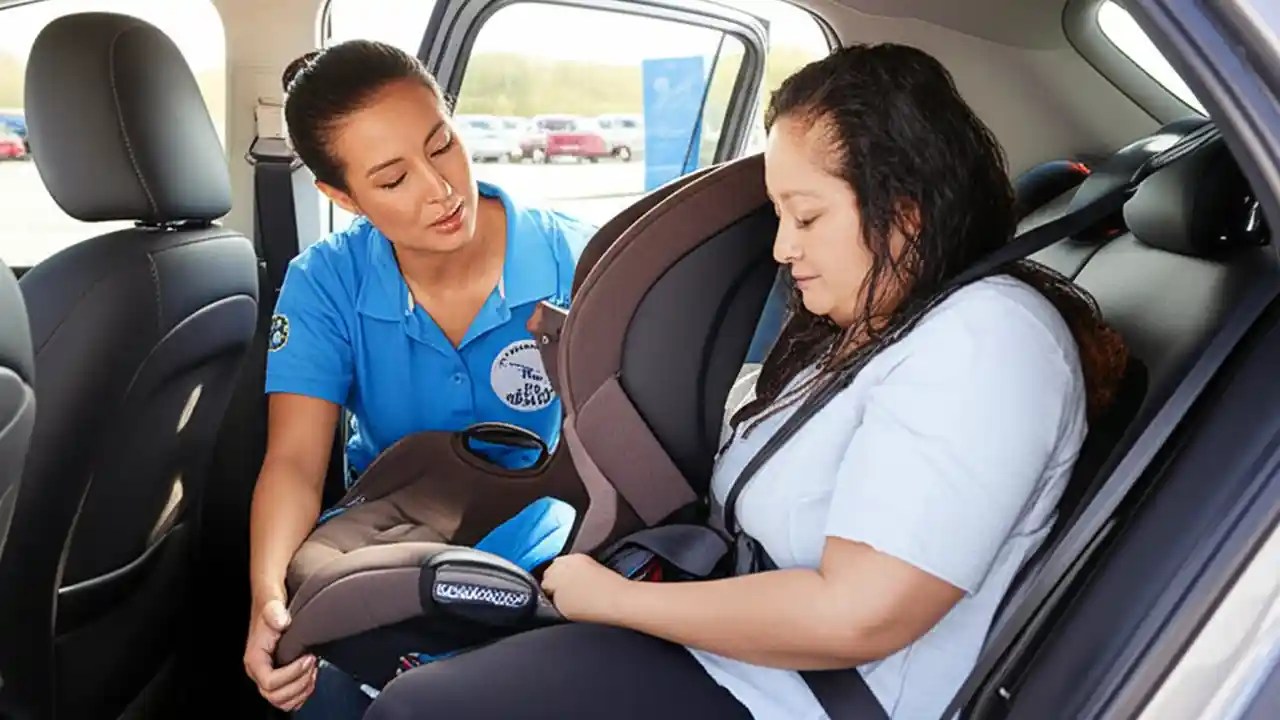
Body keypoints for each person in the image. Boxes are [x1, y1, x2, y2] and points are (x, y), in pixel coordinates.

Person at [358, 43, 1129, 720]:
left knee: (418, 709)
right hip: (741, 663)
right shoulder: (883, 321)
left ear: (906, 215)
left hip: (797, 697)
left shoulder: (987, 340)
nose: (782, 249)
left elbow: (858, 616)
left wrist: (623, 602)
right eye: (778, 217)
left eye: (806, 216)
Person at [240, 40, 595, 715]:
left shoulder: (575, 256)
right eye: (393, 179)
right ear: (341, 196)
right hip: (389, 540)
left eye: (441, 146)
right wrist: (269, 598)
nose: (441, 191)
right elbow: (292, 462)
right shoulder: (325, 282)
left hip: (549, 539)